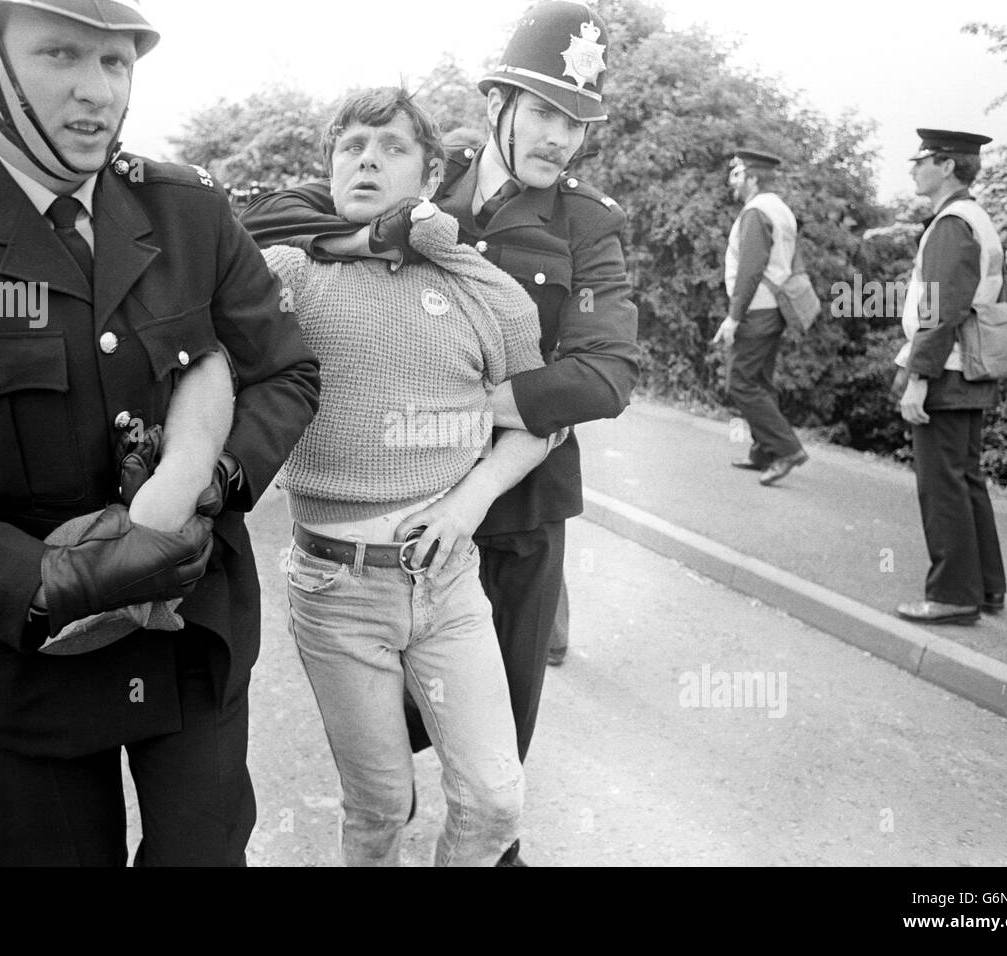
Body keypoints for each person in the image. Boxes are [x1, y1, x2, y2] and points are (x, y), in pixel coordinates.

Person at [0, 0, 319, 866]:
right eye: (59, 54)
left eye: (116, 63)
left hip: (187, 635)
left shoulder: (189, 210)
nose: (96, 92)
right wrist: (45, 579)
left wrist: (211, 481)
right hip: (22, 658)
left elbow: (284, 371)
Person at [242, 5, 640, 864]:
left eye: (577, 123)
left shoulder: (590, 225)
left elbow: (605, 375)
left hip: (514, 510)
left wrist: (447, 406)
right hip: (380, 521)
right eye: (542, 110)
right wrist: (363, 236)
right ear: (497, 102)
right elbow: (275, 221)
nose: (560, 138)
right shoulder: (424, 175)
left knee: (499, 763)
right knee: (387, 764)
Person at [267, 86, 563, 866]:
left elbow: (537, 422)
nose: (367, 157)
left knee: (496, 801)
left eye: (392, 146)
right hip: (335, 593)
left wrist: (469, 503)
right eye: (351, 144)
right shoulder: (285, 272)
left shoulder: (485, 290)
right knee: (380, 808)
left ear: (430, 175)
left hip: (449, 582)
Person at [893, 129, 1007, 625]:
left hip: (949, 369)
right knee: (965, 479)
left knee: (941, 485)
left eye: (920, 160)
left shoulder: (950, 224)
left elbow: (941, 310)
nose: (913, 168)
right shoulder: (974, 219)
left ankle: (952, 595)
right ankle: (984, 589)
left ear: (945, 165)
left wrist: (919, 376)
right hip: (970, 367)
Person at [713, 148, 809, 486]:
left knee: (740, 382)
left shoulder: (755, 212)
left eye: (738, 174)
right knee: (761, 382)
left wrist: (733, 317)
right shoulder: (780, 209)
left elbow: (750, 271)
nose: (732, 180)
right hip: (775, 308)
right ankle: (763, 451)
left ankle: (786, 449)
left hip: (757, 309)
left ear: (753, 178)